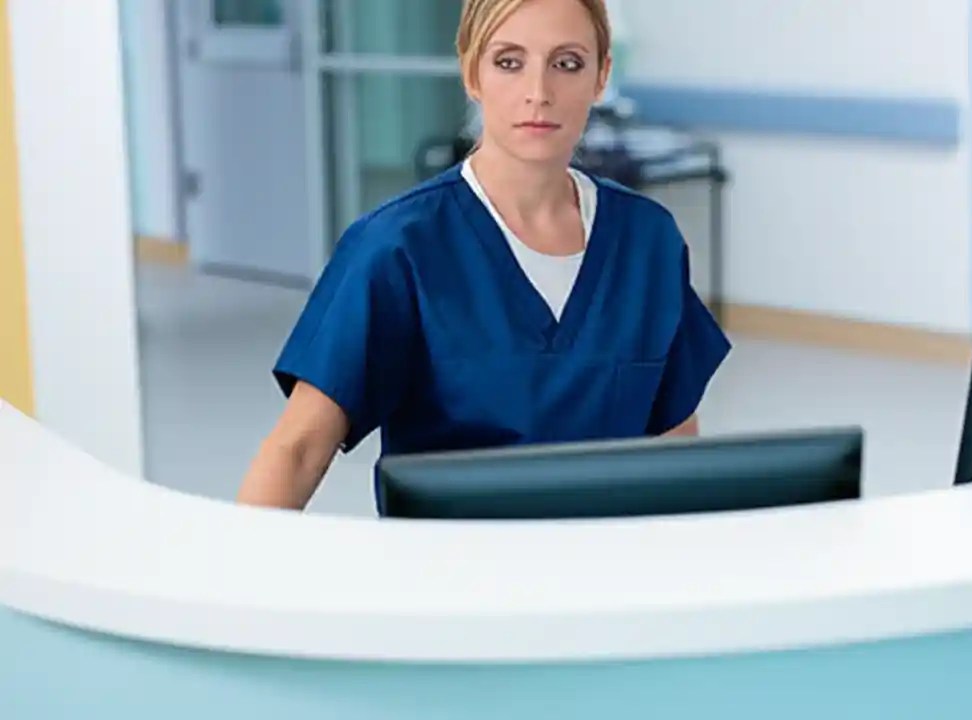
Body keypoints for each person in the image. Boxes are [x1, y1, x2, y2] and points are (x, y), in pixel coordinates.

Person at [236, 0, 730, 510]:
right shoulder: (397, 246)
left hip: (606, 573)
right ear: (472, 73)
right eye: (509, 62)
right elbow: (297, 451)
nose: (538, 93)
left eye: (566, 63)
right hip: (455, 578)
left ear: (601, 76)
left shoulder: (646, 240)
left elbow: (675, 446)